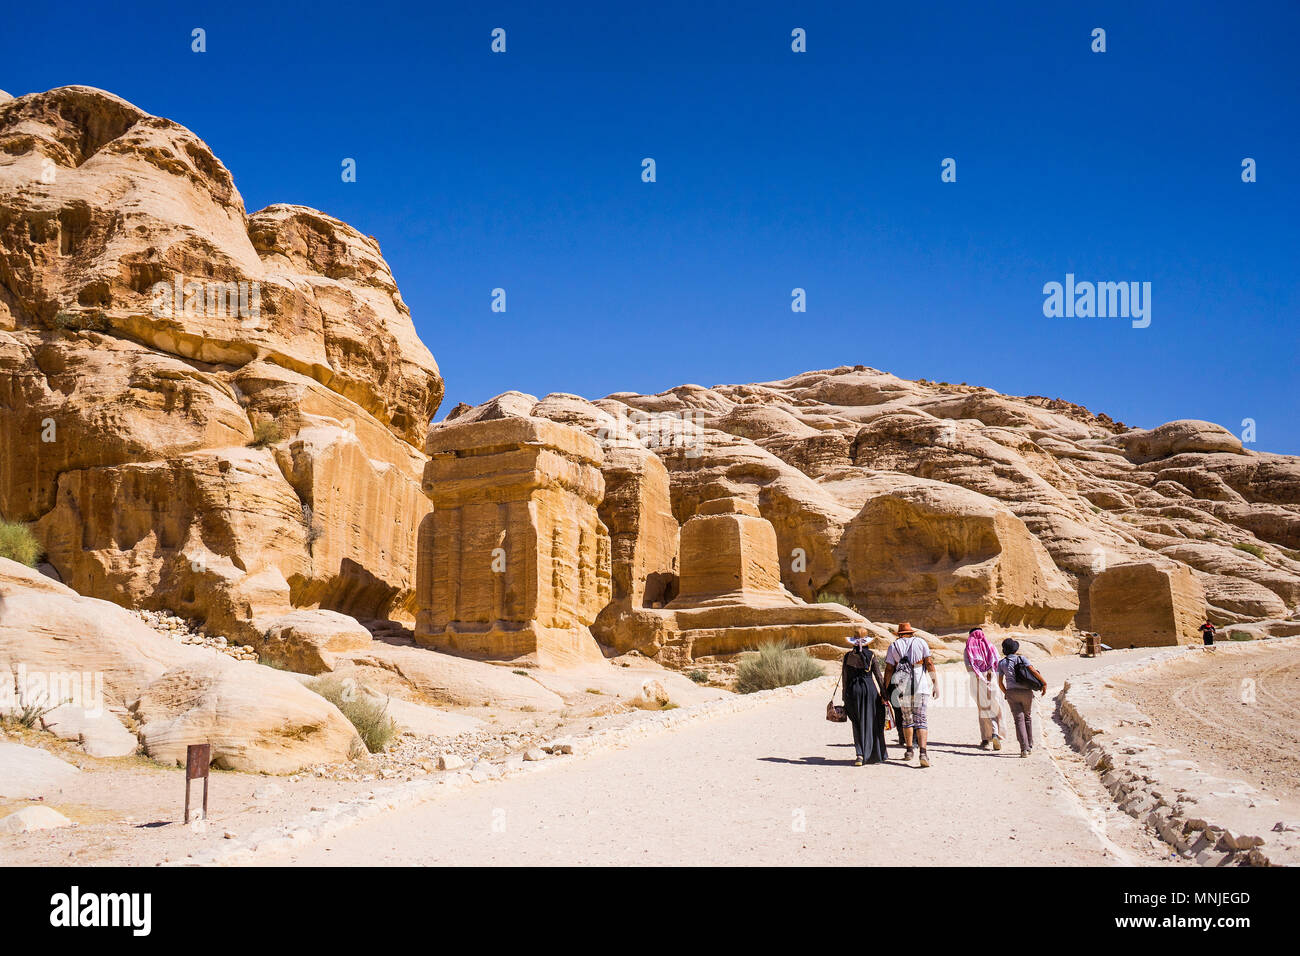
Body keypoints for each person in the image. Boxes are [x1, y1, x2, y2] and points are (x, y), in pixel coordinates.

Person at [882, 622, 939, 767]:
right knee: (921, 720)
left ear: (899, 634)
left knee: (907, 720)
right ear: (912, 633)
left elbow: (889, 669)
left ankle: (908, 751)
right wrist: (935, 683)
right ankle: (923, 753)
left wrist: (884, 688)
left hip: (902, 689)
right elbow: (929, 663)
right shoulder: (921, 642)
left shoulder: (893, 646)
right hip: (921, 687)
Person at [841, 634, 890, 766]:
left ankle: (860, 755)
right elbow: (879, 676)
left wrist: (844, 695)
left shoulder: (847, 657)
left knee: (856, 722)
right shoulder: (872, 655)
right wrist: (884, 694)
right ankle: (875, 754)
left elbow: (844, 677)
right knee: (873, 721)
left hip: (853, 691)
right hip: (869, 690)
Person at [996, 638, 1047, 757]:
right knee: (1028, 717)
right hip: (1026, 692)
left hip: (1012, 693)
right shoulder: (1021, 658)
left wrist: (1006, 693)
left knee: (1018, 720)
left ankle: (1023, 749)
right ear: (1015, 649)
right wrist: (1044, 683)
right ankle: (1030, 745)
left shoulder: (1001, 663)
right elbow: (1033, 672)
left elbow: (1000, 682)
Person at [963, 626, 1004, 751]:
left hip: (977, 681)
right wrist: (990, 672)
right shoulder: (990, 646)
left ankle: (986, 739)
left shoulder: (968, 649)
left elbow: (969, 667)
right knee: (995, 707)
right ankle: (996, 733)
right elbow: (997, 662)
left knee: (983, 709)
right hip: (992, 679)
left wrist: (980, 676)